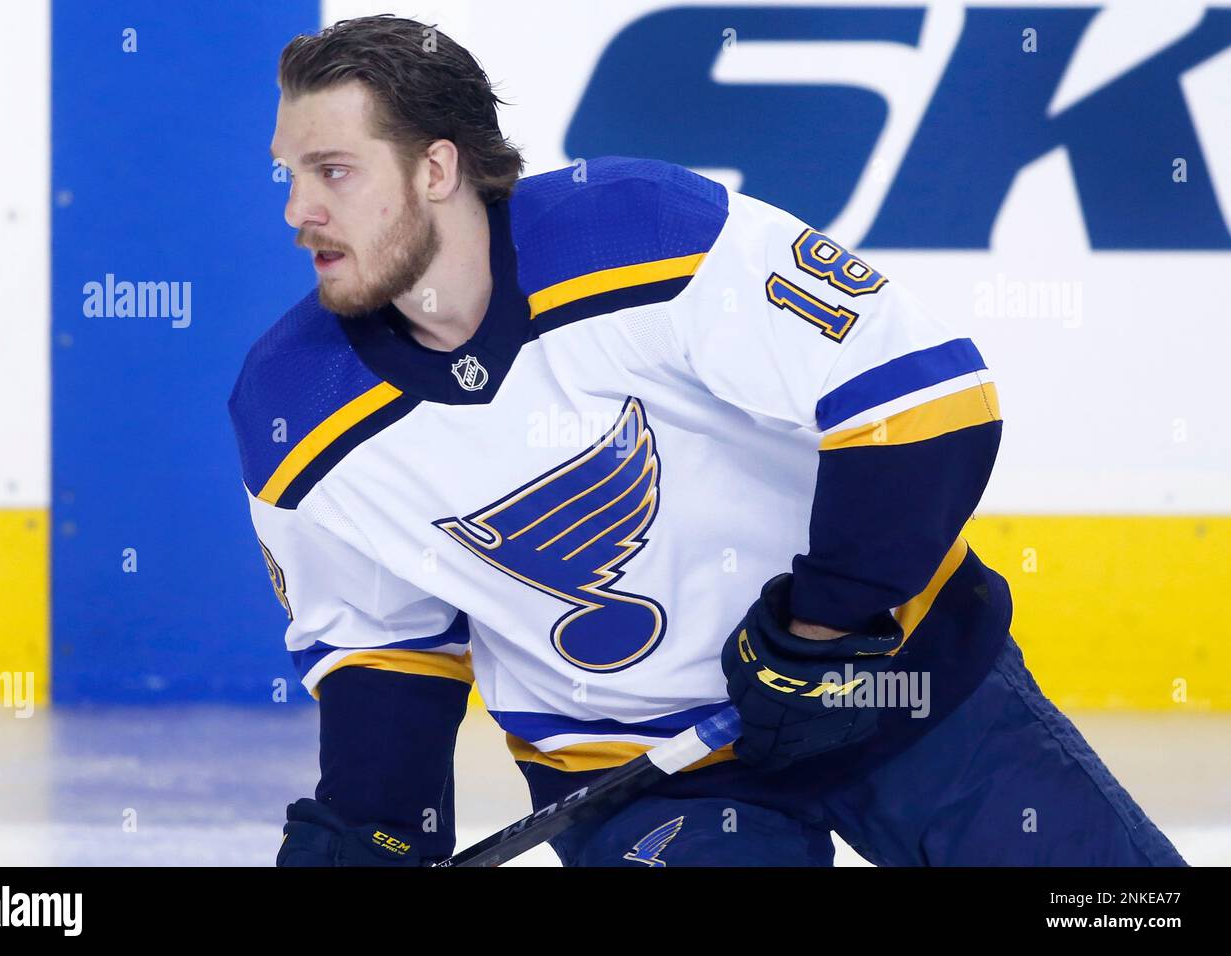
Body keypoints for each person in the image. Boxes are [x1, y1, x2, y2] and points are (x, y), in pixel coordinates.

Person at [230, 15, 1184, 867]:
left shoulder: (645, 231)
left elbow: (927, 404)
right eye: (292, 174)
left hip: (895, 681)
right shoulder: (291, 409)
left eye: (334, 171)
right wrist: (375, 831)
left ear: (435, 169)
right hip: (646, 778)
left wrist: (819, 631)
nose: (296, 211)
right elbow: (387, 649)